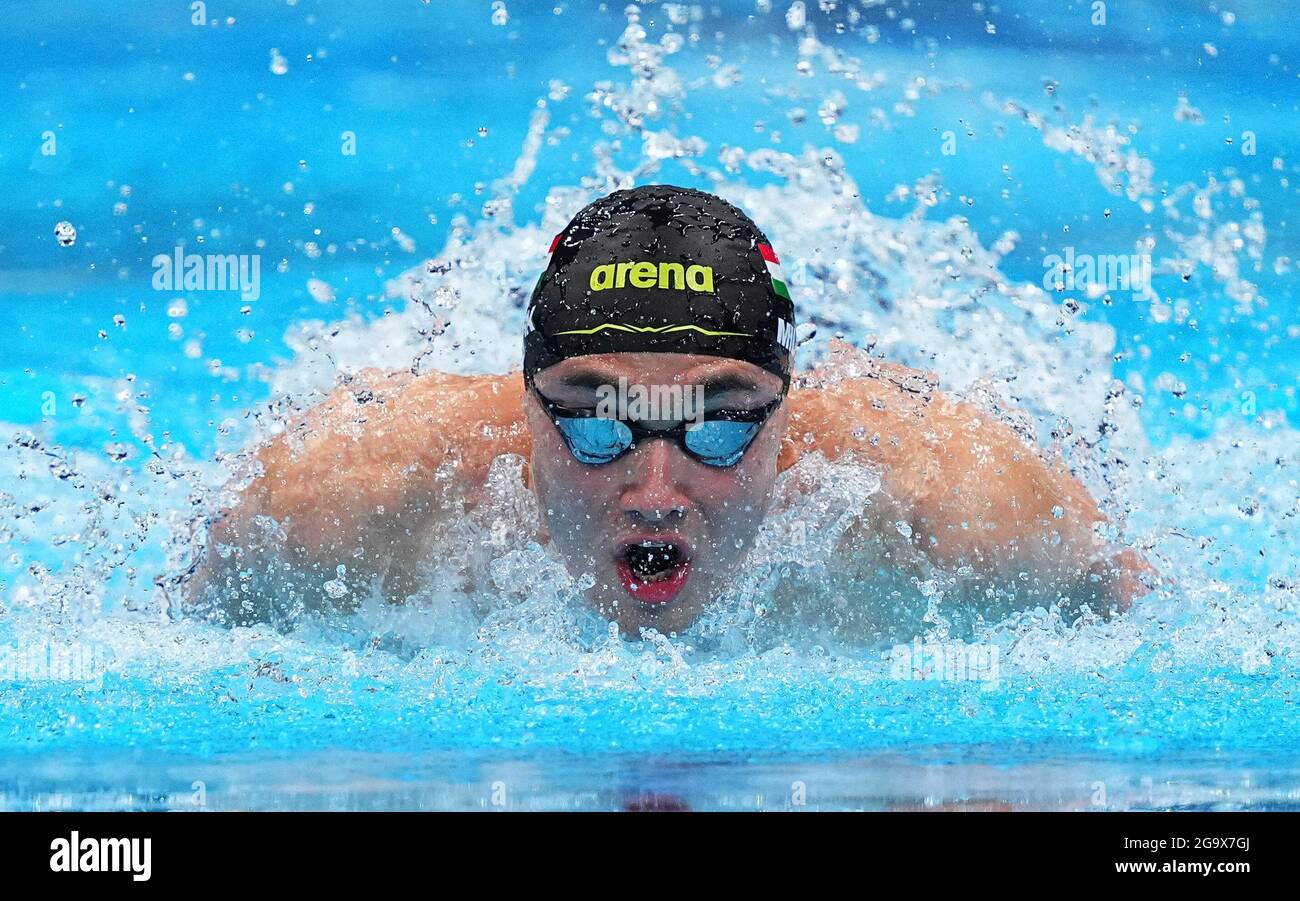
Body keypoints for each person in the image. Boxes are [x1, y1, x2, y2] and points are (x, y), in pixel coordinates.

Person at [187, 185, 1153, 638]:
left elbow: (1142, 633)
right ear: (521, 404)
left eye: (723, 424)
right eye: (595, 422)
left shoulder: (957, 511)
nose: (656, 491)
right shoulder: (342, 501)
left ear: (788, 412)